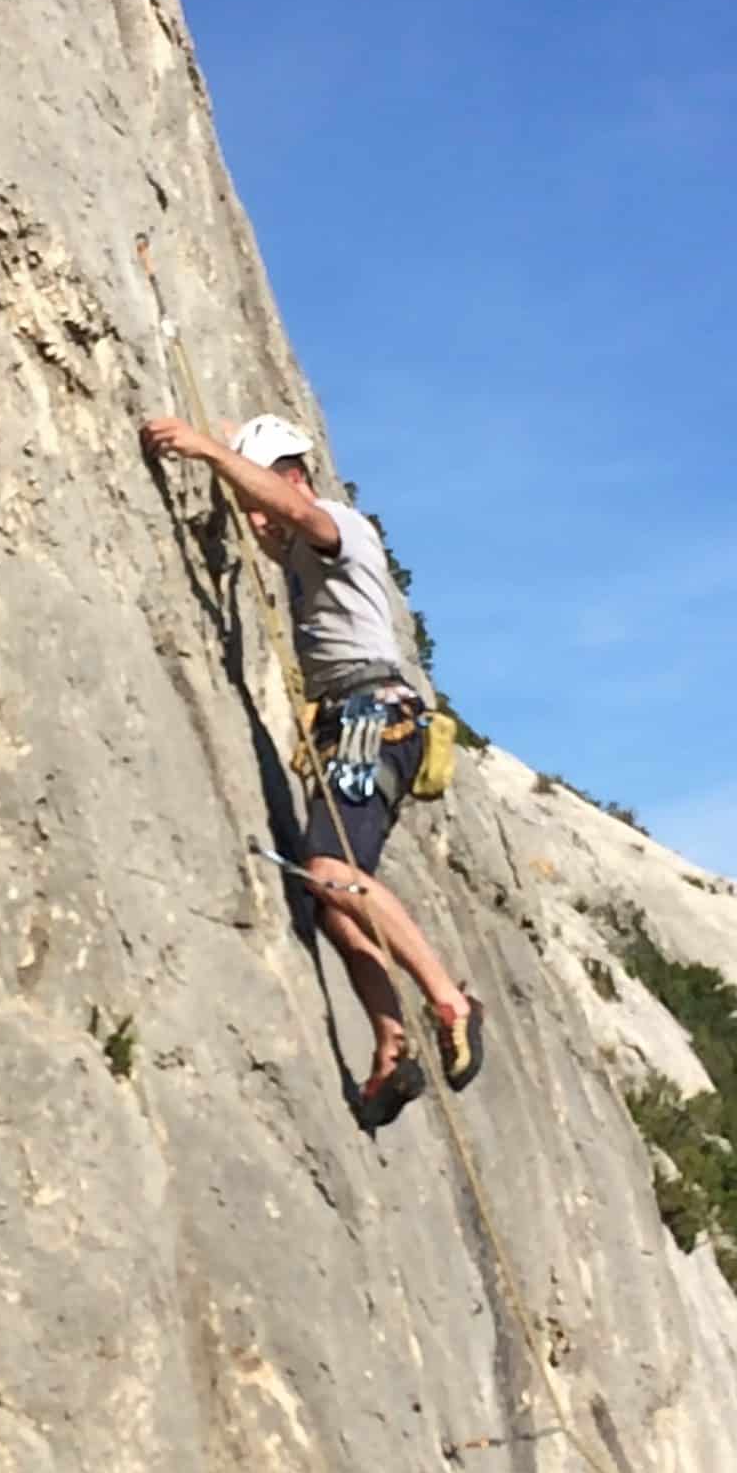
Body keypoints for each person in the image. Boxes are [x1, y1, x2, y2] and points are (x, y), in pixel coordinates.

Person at [140, 408, 484, 1127]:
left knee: (331, 873)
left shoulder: (336, 525)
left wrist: (205, 449)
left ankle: (449, 1000)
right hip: (349, 722)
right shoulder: (298, 553)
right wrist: (232, 442)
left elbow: (296, 508)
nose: (257, 523)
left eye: (262, 502)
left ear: (292, 478)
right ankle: (392, 1044)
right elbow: (277, 512)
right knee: (331, 906)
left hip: (374, 715)